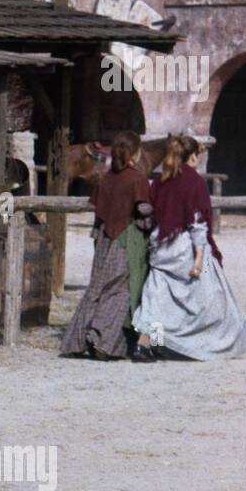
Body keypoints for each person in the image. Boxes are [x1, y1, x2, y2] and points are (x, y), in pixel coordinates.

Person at [132, 135, 246, 362]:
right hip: (183, 249)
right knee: (208, 299)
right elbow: (197, 225)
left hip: (161, 247)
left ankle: (147, 345)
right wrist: (199, 261)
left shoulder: (161, 180)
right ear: (192, 156)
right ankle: (199, 343)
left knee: (156, 301)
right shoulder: (195, 182)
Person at [60, 131, 151, 360]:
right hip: (125, 240)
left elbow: (99, 212)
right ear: (135, 152)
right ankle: (102, 341)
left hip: (103, 239)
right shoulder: (137, 178)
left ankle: (75, 340)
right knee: (119, 290)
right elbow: (143, 211)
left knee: (96, 288)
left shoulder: (106, 178)